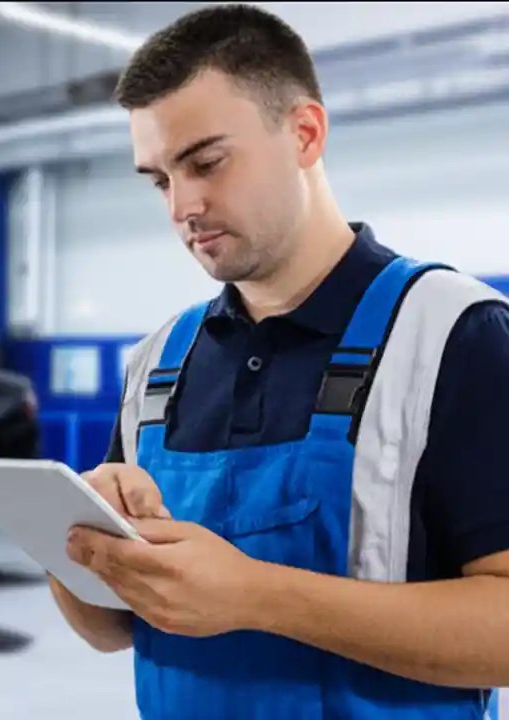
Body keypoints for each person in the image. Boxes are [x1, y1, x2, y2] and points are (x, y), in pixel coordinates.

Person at [48, 4, 509, 718]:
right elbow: (109, 630)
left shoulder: (454, 334)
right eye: (160, 179)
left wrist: (257, 597)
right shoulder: (159, 363)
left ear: (305, 133)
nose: (183, 206)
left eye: (206, 163)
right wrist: (77, 545)